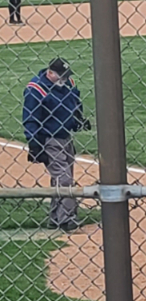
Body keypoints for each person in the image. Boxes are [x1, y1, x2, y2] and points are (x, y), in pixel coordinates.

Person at [23, 58, 91, 232]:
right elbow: (30, 118)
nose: (65, 79)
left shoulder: (67, 83)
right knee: (64, 179)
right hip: (49, 139)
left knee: (62, 178)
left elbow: (75, 100)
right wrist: (35, 144)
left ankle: (55, 218)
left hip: (65, 137)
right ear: (50, 73)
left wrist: (78, 119)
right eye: (61, 76)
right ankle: (67, 220)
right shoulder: (36, 89)